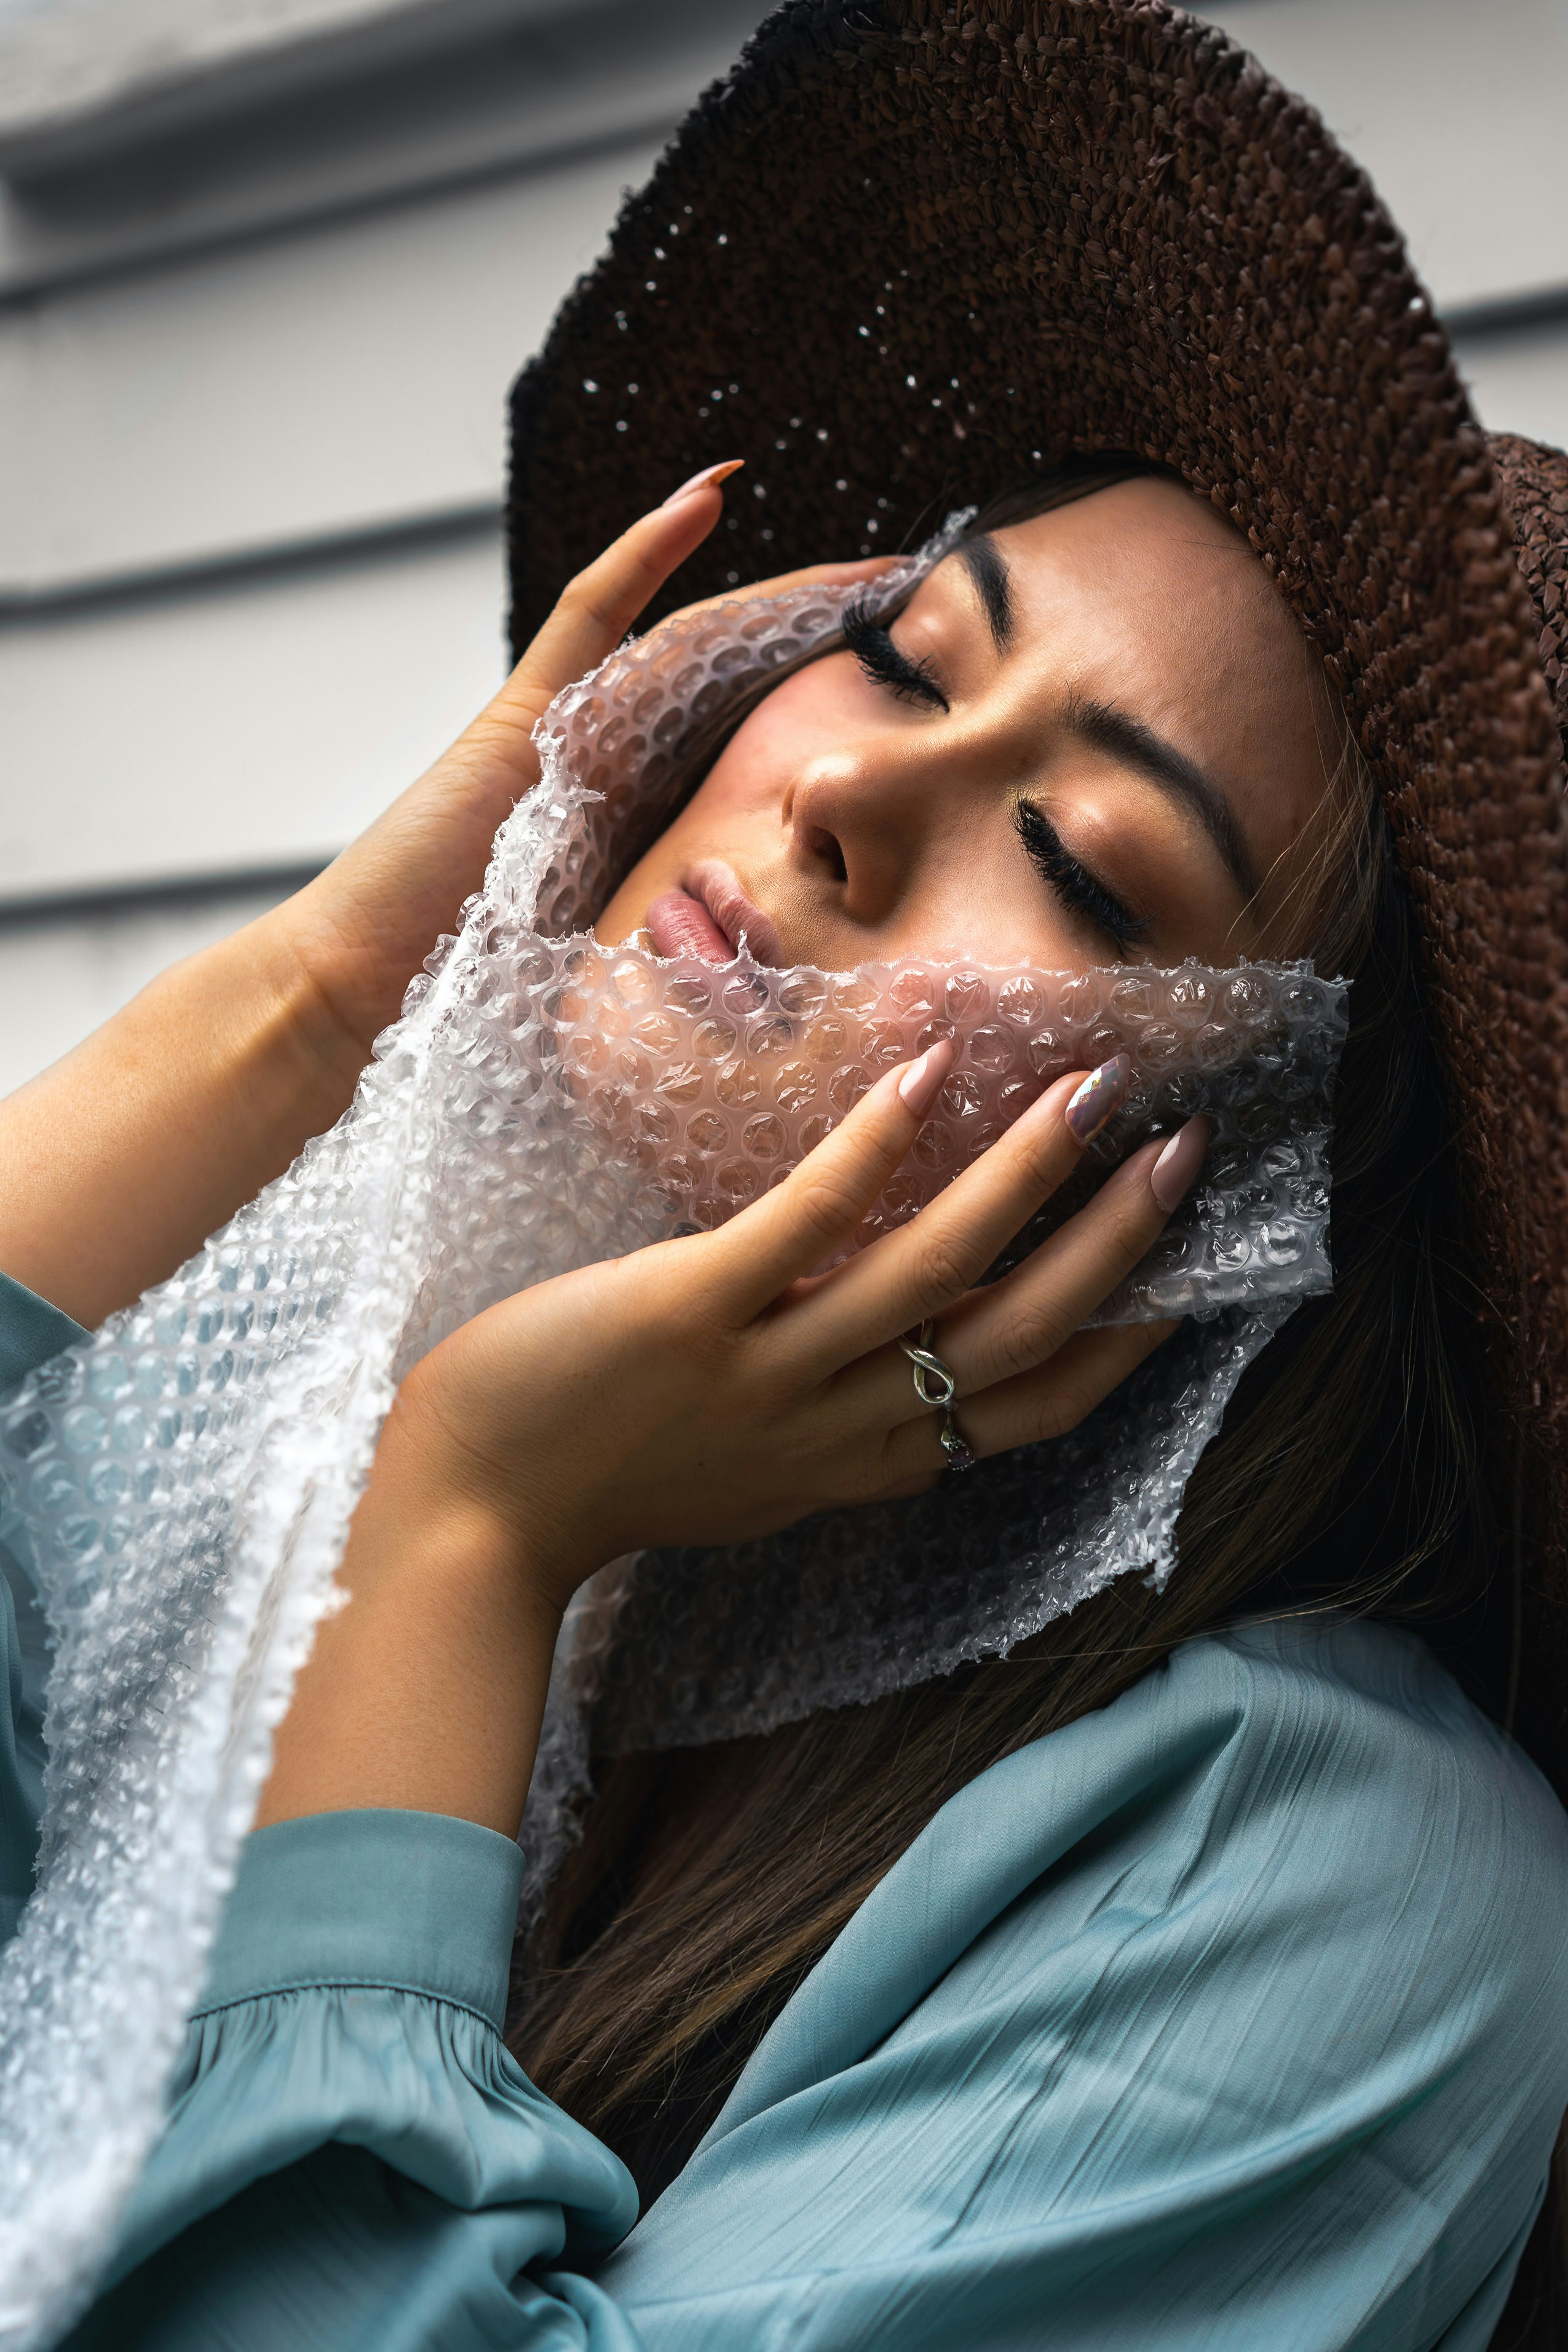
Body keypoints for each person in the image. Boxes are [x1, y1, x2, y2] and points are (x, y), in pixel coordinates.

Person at [3, 2, 1568, 2345]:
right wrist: (303, 1010)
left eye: (1086, 862)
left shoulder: (1328, 1877)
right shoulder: (321, 1406)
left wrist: (459, 1533)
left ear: (1268, 1205)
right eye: (915, 656)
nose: (843, 791)